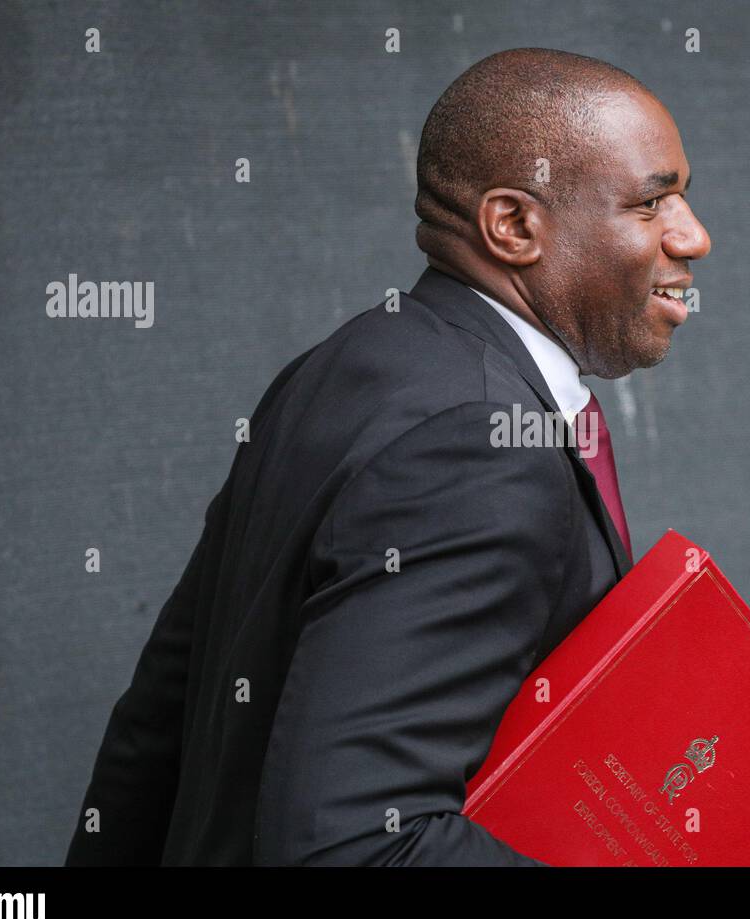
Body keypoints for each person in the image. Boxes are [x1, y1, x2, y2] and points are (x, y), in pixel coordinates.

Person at [65, 47, 711, 866]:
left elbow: (157, 728)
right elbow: (354, 847)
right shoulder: (480, 444)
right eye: (652, 202)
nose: (695, 235)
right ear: (514, 227)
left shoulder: (345, 368)